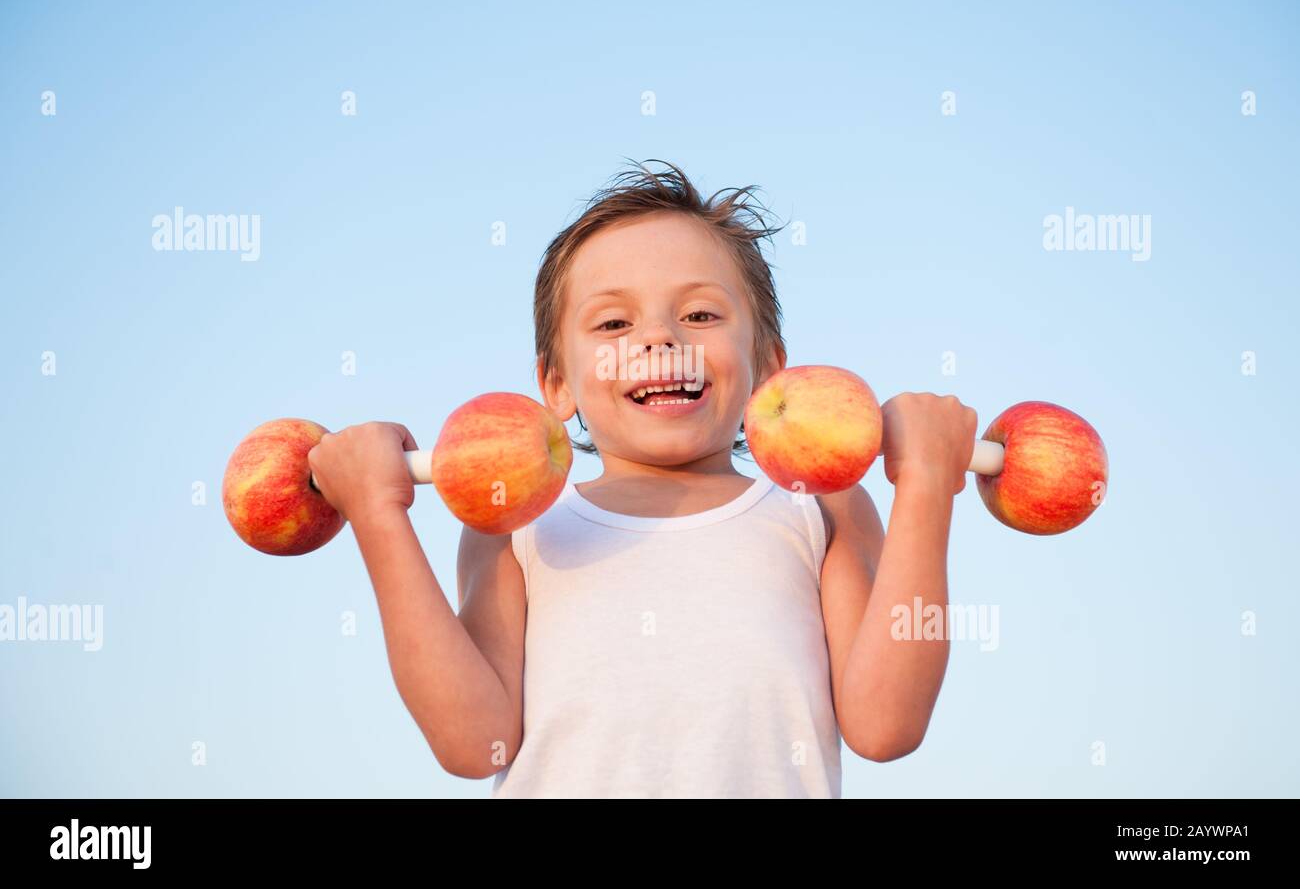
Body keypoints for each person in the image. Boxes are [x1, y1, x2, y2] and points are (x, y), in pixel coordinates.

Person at [306, 159, 977, 798]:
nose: (658, 337)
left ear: (770, 366)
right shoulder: (514, 523)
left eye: (701, 315)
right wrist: (378, 514)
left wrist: (924, 482)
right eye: (613, 322)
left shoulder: (818, 507)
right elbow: (470, 741)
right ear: (557, 383)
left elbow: (887, 725)